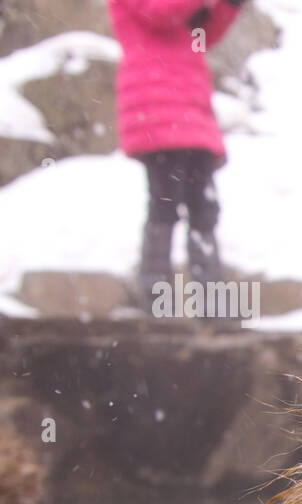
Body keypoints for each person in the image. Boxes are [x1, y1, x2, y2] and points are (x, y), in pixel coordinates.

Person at [109, 0, 248, 311]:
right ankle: (158, 301)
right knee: (165, 202)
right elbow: (159, 14)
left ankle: (210, 303)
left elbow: (202, 35)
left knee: (204, 206)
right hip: (155, 102)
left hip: (190, 105)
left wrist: (228, 6)